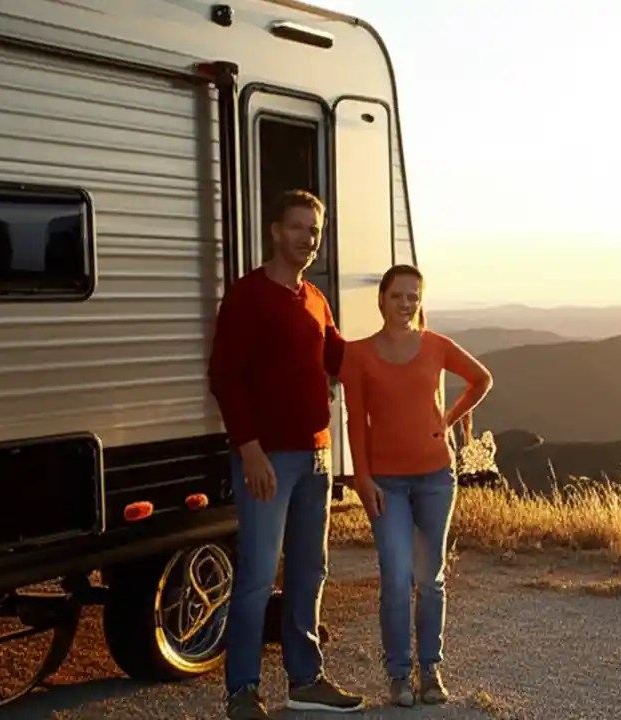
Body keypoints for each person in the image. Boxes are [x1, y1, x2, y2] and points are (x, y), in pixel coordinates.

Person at [208, 189, 364, 719]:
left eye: (315, 231)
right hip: (267, 459)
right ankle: (242, 691)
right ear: (276, 231)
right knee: (255, 575)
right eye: (298, 228)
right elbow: (225, 378)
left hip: (315, 458)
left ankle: (306, 680)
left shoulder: (315, 299)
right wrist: (249, 451)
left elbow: (341, 357)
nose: (307, 239)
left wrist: (405, 345)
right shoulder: (248, 295)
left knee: (308, 571)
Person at [339, 263, 494, 707]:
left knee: (430, 579)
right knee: (395, 579)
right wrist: (362, 477)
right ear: (381, 300)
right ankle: (398, 675)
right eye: (397, 296)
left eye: (413, 297)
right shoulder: (359, 354)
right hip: (386, 482)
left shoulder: (437, 346)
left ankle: (430, 671)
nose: (405, 304)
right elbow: (356, 423)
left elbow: (481, 379)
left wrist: (450, 417)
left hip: (435, 478)